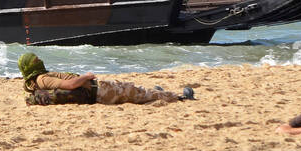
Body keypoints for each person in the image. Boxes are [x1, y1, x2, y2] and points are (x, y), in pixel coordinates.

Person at [18, 52, 192, 105]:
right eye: (35, 60)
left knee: (134, 92)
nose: (39, 60)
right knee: (131, 90)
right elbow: (70, 85)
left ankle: (156, 93)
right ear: (29, 66)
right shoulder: (43, 79)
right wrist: (86, 76)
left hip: (97, 91)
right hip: (98, 91)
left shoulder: (38, 80)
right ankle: (178, 96)